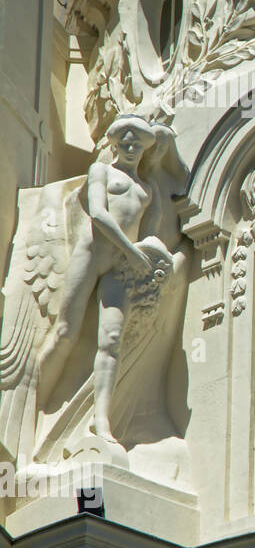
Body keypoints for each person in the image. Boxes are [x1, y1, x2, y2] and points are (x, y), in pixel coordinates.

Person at [35, 115, 174, 437]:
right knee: (66, 331)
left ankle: (101, 418)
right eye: (124, 140)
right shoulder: (101, 171)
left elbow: (150, 235)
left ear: (145, 148)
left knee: (111, 341)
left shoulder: (147, 189)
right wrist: (132, 251)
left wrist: (155, 259)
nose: (129, 146)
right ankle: (34, 402)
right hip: (92, 256)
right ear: (113, 143)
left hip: (120, 268)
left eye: (136, 142)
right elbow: (97, 213)